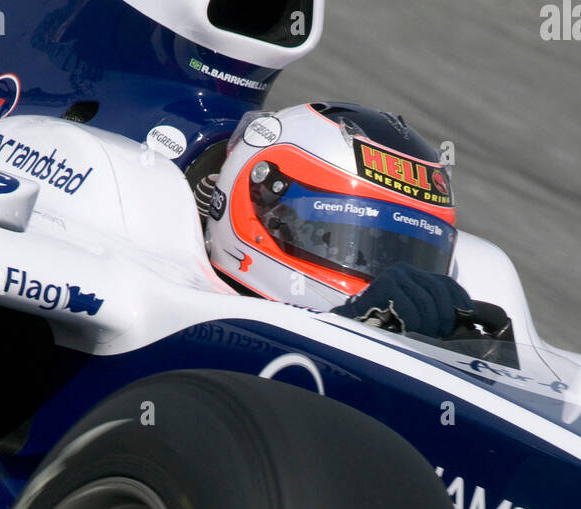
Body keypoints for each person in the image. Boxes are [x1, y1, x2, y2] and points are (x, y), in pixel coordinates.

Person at [197, 101, 480, 342]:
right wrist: (347, 330)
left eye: (403, 250)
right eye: (336, 238)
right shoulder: (184, 305)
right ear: (264, 195)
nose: (391, 285)